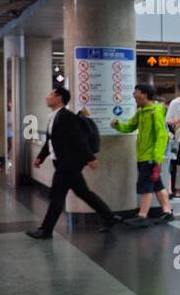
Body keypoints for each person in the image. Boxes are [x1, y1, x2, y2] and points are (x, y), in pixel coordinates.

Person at [26, 86, 120, 238]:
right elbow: (51, 140)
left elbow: (78, 139)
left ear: (59, 98)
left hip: (68, 163)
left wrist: (90, 158)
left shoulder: (67, 117)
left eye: (51, 94)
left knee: (56, 196)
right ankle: (110, 217)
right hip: (62, 162)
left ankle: (45, 230)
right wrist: (41, 157)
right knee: (83, 192)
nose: (47, 97)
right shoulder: (54, 116)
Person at [111, 82, 173, 228]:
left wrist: (157, 158)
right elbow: (130, 127)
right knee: (157, 185)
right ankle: (167, 212)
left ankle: (142, 215)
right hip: (143, 156)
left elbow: (162, 135)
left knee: (146, 186)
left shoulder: (155, 111)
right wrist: (118, 125)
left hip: (150, 157)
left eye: (136, 92)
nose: (133, 95)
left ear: (144, 94)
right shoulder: (141, 112)